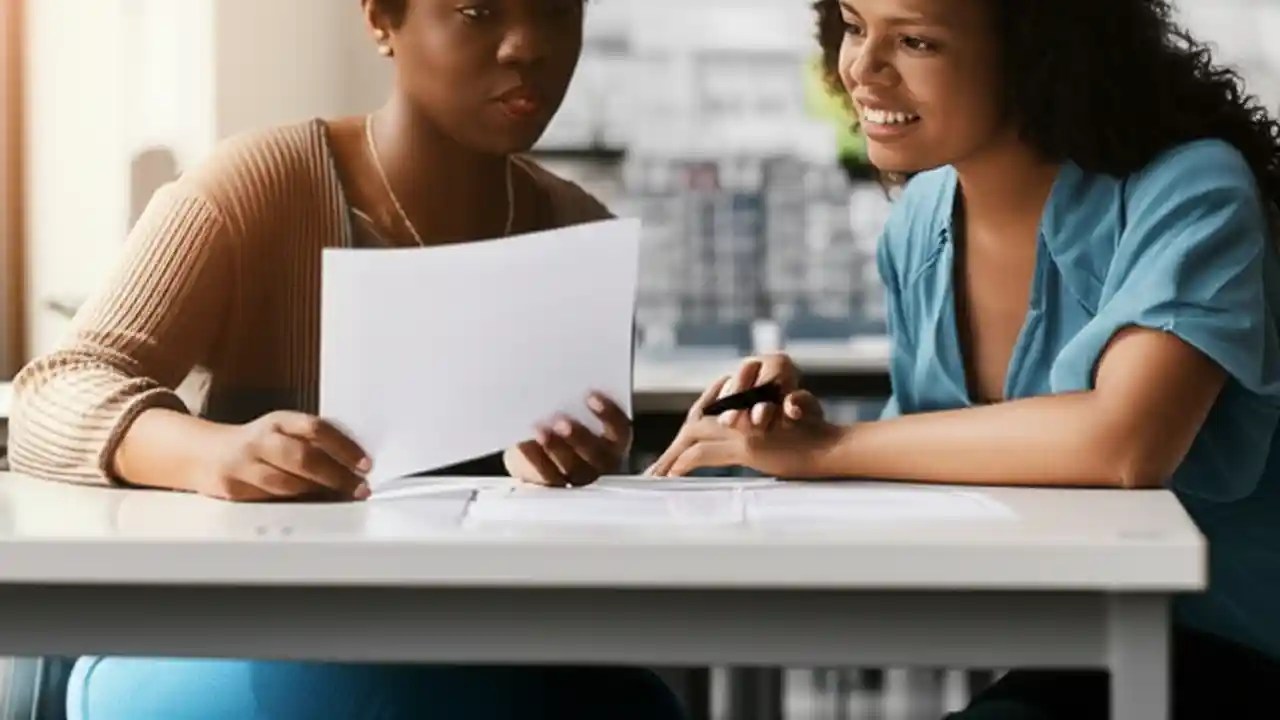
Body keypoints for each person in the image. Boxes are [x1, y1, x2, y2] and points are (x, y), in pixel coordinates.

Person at [9, 0, 684, 718]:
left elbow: (568, 530)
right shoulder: (260, 186)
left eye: (556, 12)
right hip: (247, 634)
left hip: (480, 641)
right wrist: (211, 453)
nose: (527, 47)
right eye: (478, 11)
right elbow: (53, 393)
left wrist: (558, 471)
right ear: (381, 19)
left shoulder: (580, 235)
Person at [650, 0, 1280, 716]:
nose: (860, 68)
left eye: (915, 41)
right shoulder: (920, 221)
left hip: (1228, 648)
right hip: (1071, 647)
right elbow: (939, 464)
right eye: (855, 27)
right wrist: (780, 433)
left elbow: (1126, 445)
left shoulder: (1191, 188)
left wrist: (833, 447)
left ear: (1036, 54)